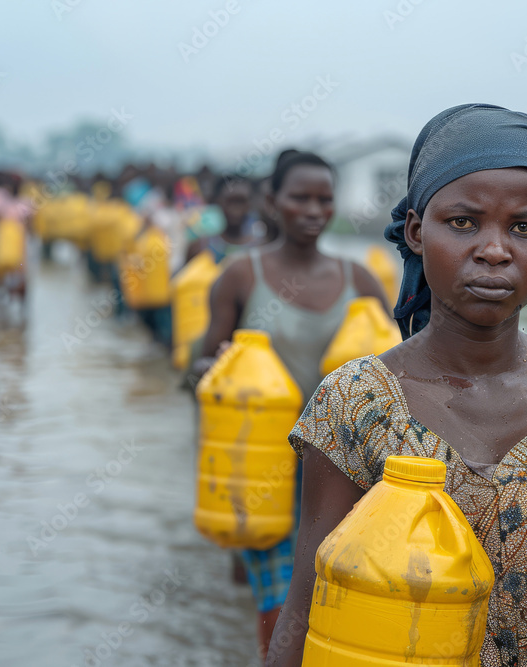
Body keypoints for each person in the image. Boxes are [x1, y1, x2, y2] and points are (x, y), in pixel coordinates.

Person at [267, 105, 527, 667]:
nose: (494, 250)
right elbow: (309, 602)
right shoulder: (356, 400)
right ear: (417, 231)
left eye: (525, 227)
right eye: (463, 222)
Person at [194, 151, 388, 660]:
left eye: (325, 198)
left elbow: (399, 370)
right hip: (266, 476)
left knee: (343, 604)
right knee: (282, 617)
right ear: (273, 202)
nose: (313, 209)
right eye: (299, 197)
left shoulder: (360, 283)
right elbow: (199, 368)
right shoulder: (240, 277)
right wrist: (212, 369)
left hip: (346, 475)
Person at [185, 175, 261, 264]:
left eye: (241, 201)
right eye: (230, 201)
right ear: (218, 202)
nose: (235, 208)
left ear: (250, 204)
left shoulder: (260, 249)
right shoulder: (200, 247)